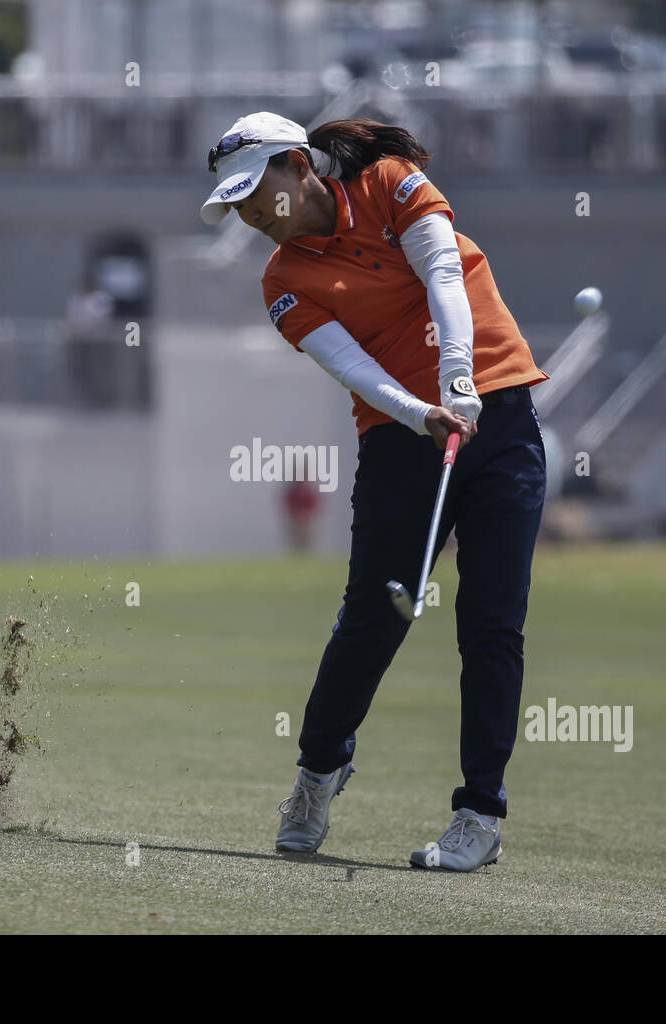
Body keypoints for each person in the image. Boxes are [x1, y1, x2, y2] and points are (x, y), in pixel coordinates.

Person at [200, 113, 550, 872]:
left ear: (299, 165)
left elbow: (445, 275)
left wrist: (459, 380)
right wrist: (424, 411)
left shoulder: (389, 183)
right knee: (372, 618)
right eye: (240, 209)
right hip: (401, 441)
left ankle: (478, 816)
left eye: (260, 195)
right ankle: (318, 773)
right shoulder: (283, 281)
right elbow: (353, 367)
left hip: (501, 412)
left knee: (492, 626)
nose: (254, 218)